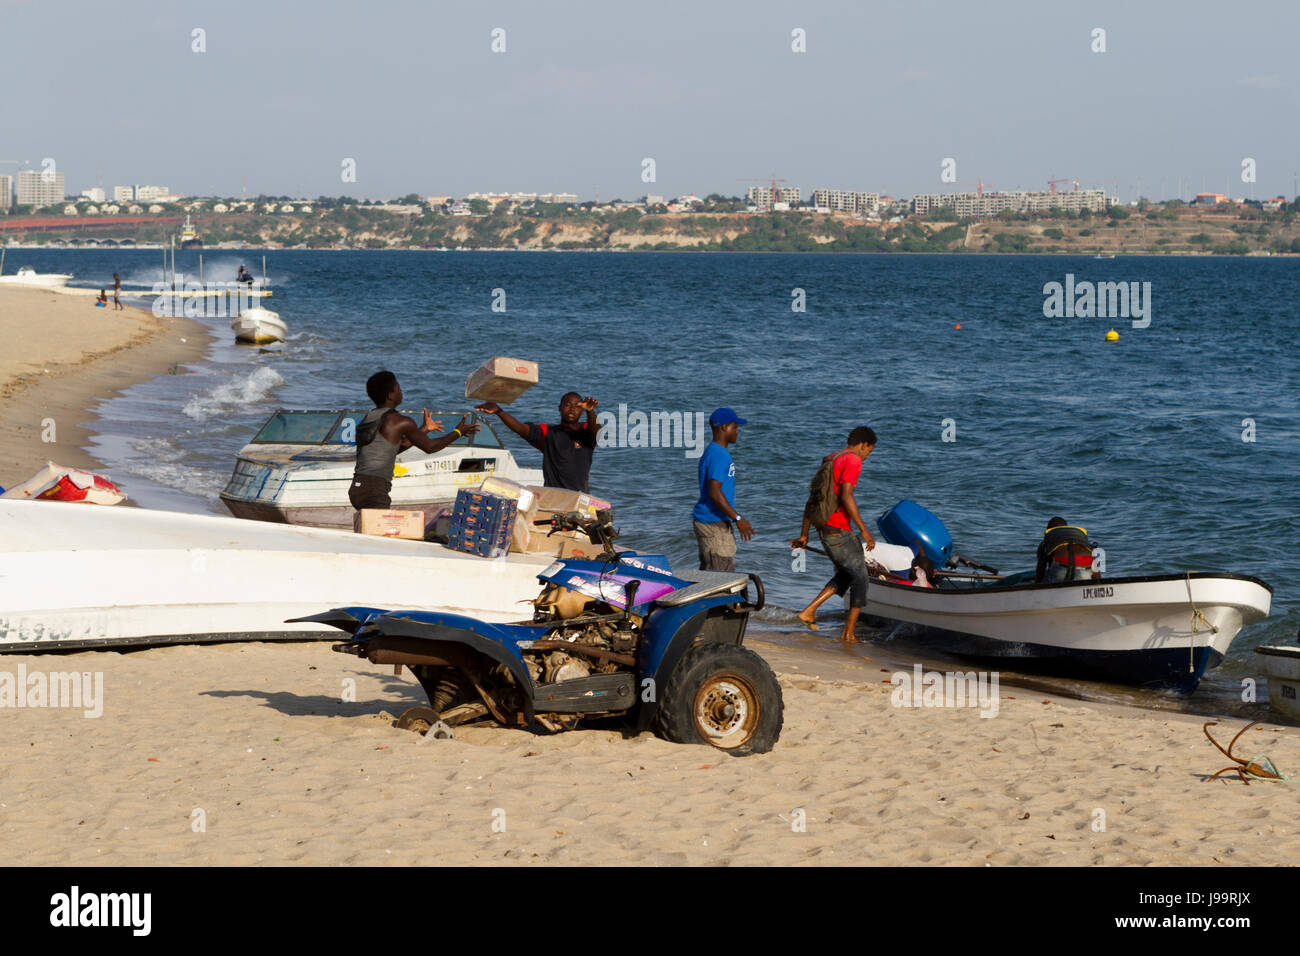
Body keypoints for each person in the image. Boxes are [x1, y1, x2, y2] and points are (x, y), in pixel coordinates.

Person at [350, 370, 479, 527]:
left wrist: (423, 430)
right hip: (375, 489)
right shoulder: (400, 421)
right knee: (378, 537)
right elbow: (431, 447)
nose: (401, 391)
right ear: (390, 395)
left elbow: (392, 449)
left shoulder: (369, 417)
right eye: (398, 388)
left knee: (368, 532)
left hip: (358, 487)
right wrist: (459, 432)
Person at [790, 426, 878, 642]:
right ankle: (848, 634)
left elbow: (812, 500)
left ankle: (809, 611)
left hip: (824, 529)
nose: (867, 457)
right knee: (861, 579)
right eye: (869, 451)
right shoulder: (853, 460)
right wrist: (864, 530)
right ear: (863, 445)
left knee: (848, 574)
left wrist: (805, 535)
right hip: (839, 530)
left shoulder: (831, 459)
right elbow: (847, 496)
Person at [476, 392, 600, 492]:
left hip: (579, 496)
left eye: (577, 406)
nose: (572, 409)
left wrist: (590, 411)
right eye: (567, 405)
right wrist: (499, 411)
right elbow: (521, 429)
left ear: (582, 411)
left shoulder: (585, 432)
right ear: (560, 408)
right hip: (552, 495)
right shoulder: (548, 433)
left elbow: (595, 431)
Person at [691, 408, 754, 571]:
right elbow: (714, 492)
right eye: (735, 427)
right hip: (713, 522)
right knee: (719, 577)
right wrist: (738, 518)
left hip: (712, 521)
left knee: (711, 574)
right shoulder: (719, 455)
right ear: (724, 427)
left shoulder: (714, 452)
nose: (737, 431)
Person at [1035, 516, 1096, 583]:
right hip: (1085, 571)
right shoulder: (1081, 538)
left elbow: (1041, 568)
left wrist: (1037, 584)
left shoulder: (1047, 540)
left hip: (1061, 572)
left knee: (1046, 577)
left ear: (1048, 530)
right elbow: (1095, 567)